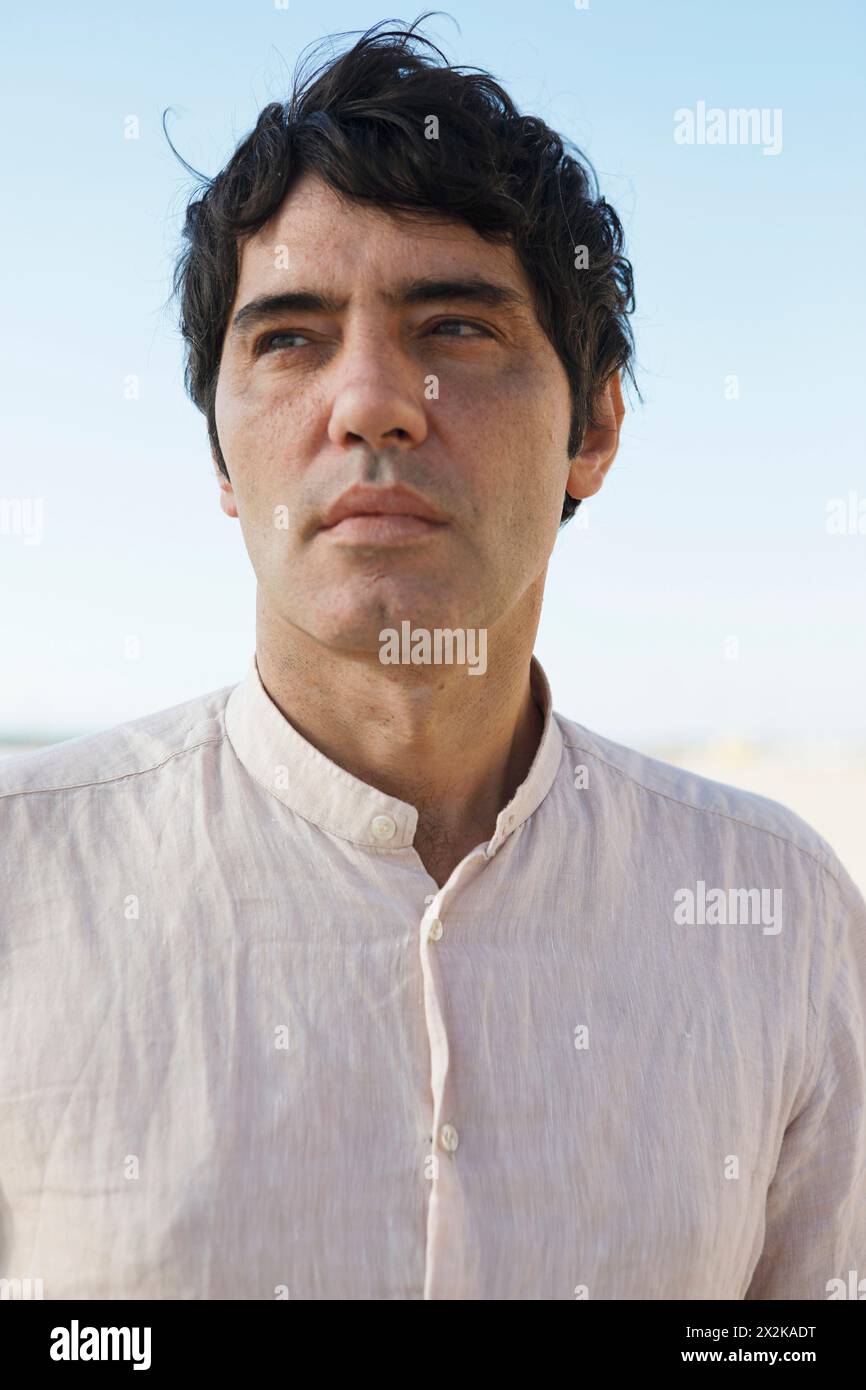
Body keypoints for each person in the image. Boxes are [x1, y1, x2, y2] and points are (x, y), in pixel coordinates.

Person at [1, 18, 863, 1301]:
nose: (369, 401)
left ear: (596, 426)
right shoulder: (25, 888)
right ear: (219, 457)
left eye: (454, 325)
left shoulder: (776, 914)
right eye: (287, 337)